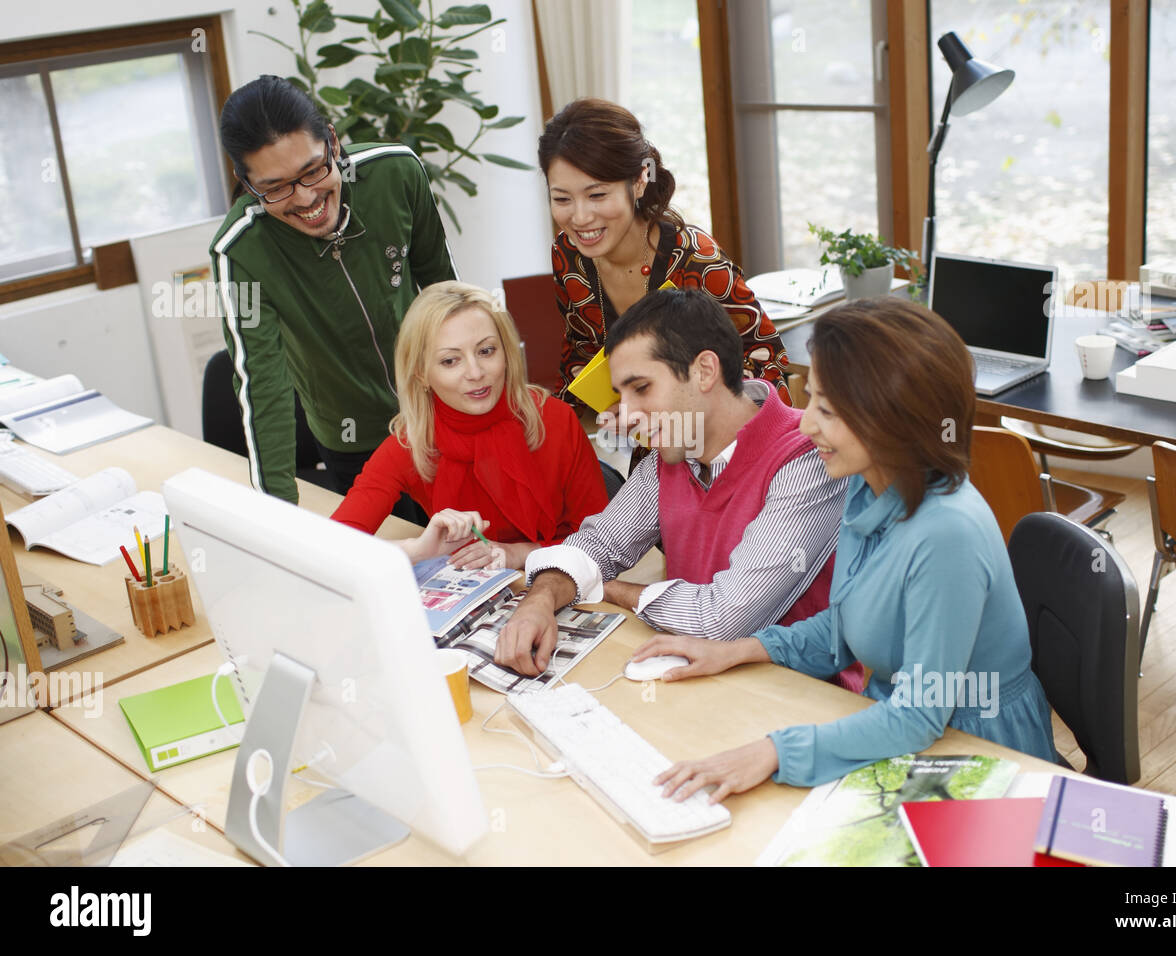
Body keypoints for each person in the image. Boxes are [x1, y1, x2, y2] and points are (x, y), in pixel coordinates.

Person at [632, 298, 1058, 802]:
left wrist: (773, 751)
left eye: (827, 410)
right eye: (809, 399)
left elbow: (919, 715)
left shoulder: (948, 534)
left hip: (978, 750)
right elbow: (846, 625)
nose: (806, 425)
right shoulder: (866, 485)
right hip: (901, 723)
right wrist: (734, 650)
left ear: (892, 420)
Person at [494, 289, 847, 678]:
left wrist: (604, 587)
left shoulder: (809, 458)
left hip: (798, 698)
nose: (625, 416)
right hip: (696, 681)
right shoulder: (673, 451)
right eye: (620, 395)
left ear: (705, 371)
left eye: (641, 388)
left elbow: (722, 620)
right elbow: (595, 545)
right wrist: (540, 600)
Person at [211, 74, 457, 506]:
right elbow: (261, 385)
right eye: (275, 188)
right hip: (353, 443)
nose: (305, 199)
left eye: (313, 170)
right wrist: (278, 518)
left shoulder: (395, 172)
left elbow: (446, 296)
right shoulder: (241, 251)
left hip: (444, 417)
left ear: (332, 141)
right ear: (247, 184)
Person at [331, 282, 608, 569]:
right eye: (450, 360)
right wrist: (417, 549)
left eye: (486, 351)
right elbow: (331, 548)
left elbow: (603, 543)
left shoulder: (556, 419)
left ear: (507, 353)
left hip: (569, 579)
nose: (475, 373)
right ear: (421, 374)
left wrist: (519, 554)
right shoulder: (409, 444)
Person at [539, 97, 791, 409]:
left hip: (717, 439)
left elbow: (768, 365)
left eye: (597, 195)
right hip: (631, 437)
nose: (579, 218)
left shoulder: (697, 261)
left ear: (641, 179)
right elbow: (581, 358)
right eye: (562, 199)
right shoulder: (568, 256)